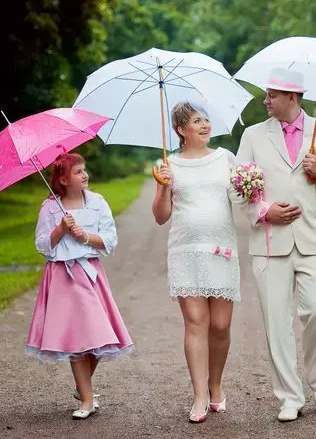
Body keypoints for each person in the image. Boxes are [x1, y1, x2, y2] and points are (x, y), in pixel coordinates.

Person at [236, 67, 316, 422]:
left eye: (271, 94)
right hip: (269, 241)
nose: (265, 100)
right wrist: (264, 209)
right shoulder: (253, 135)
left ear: (292, 97)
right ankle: (289, 395)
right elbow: (236, 186)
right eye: (266, 94)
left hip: (315, 238)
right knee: (276, 322)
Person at [152, 101, 243, 423]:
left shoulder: (226, 159)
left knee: (220, 325)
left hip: (221, 249)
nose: (205, 125)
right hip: (185, 251)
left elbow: (241, 198)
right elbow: (161, 217)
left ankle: (215, 384)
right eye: (196, 121)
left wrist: (252, 188)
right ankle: (200, 395)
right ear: (181, 130)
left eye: (206, 119)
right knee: (195, 323)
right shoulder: (168, 165)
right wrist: (164, 187)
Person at [25, 152, 134, 419]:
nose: (84, 175)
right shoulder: (50, 207)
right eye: (77, 172)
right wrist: (59, 230)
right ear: (62, 179)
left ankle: (81, 386)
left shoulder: (97, 203)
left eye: (84, 170)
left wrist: (85, 235)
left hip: (90, 275)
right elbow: (42, 246)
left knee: (100, 334)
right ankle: (86, 400)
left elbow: (109, 239)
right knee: (75, 339)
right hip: (62, 276)